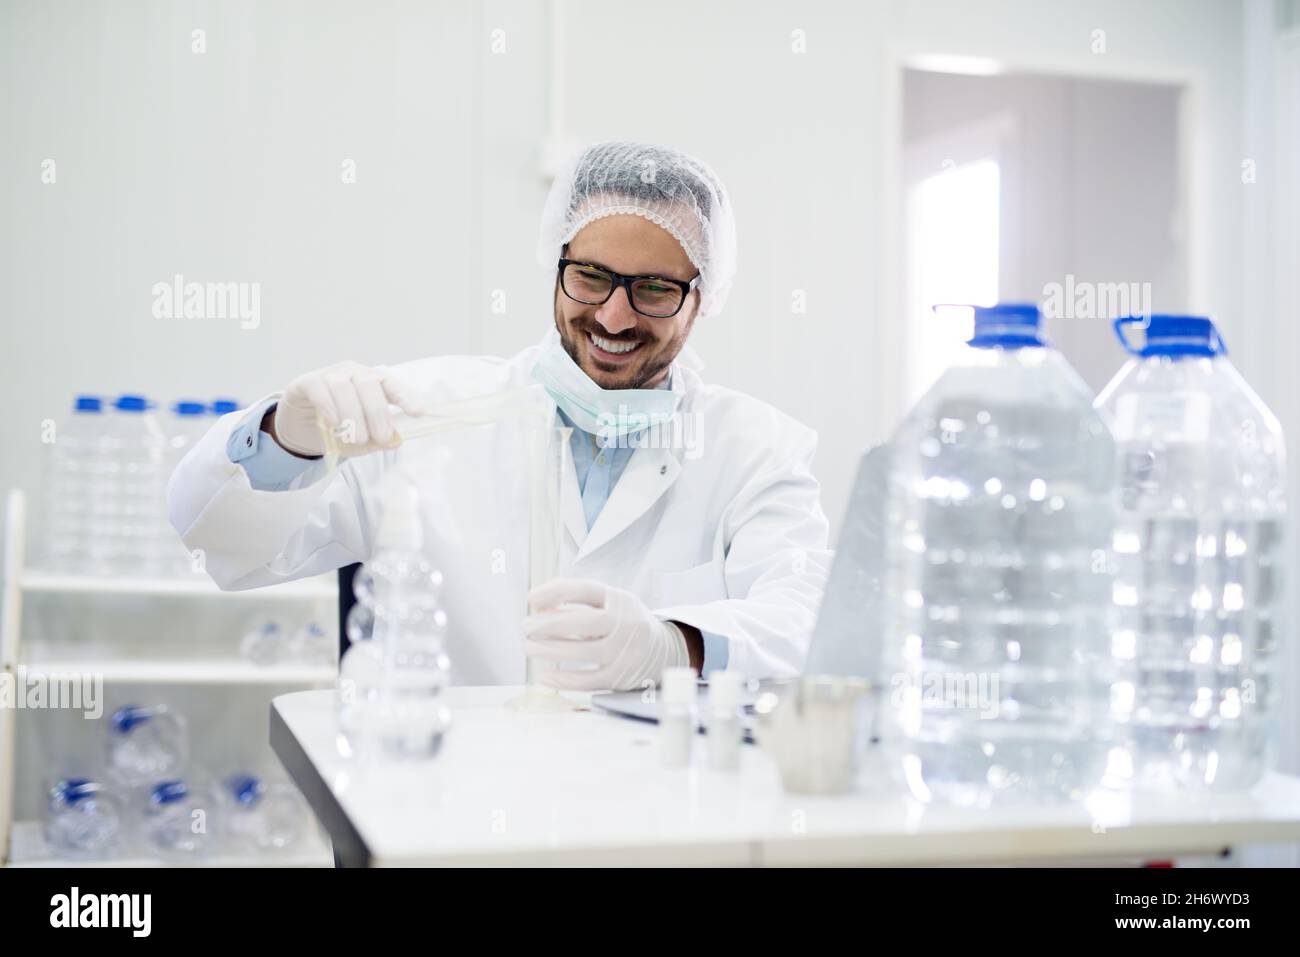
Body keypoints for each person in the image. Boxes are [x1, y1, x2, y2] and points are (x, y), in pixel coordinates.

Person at [167, 141, 831, 691]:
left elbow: (813, 627)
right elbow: (223, 548)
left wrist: (676, 644)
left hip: (658, 819)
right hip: (448, 814)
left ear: (703, 298)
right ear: (555, 265)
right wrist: (288, 436)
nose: (613, 315)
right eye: (591, 275)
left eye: (655, 288)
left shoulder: (754, 452)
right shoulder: (426, 411)